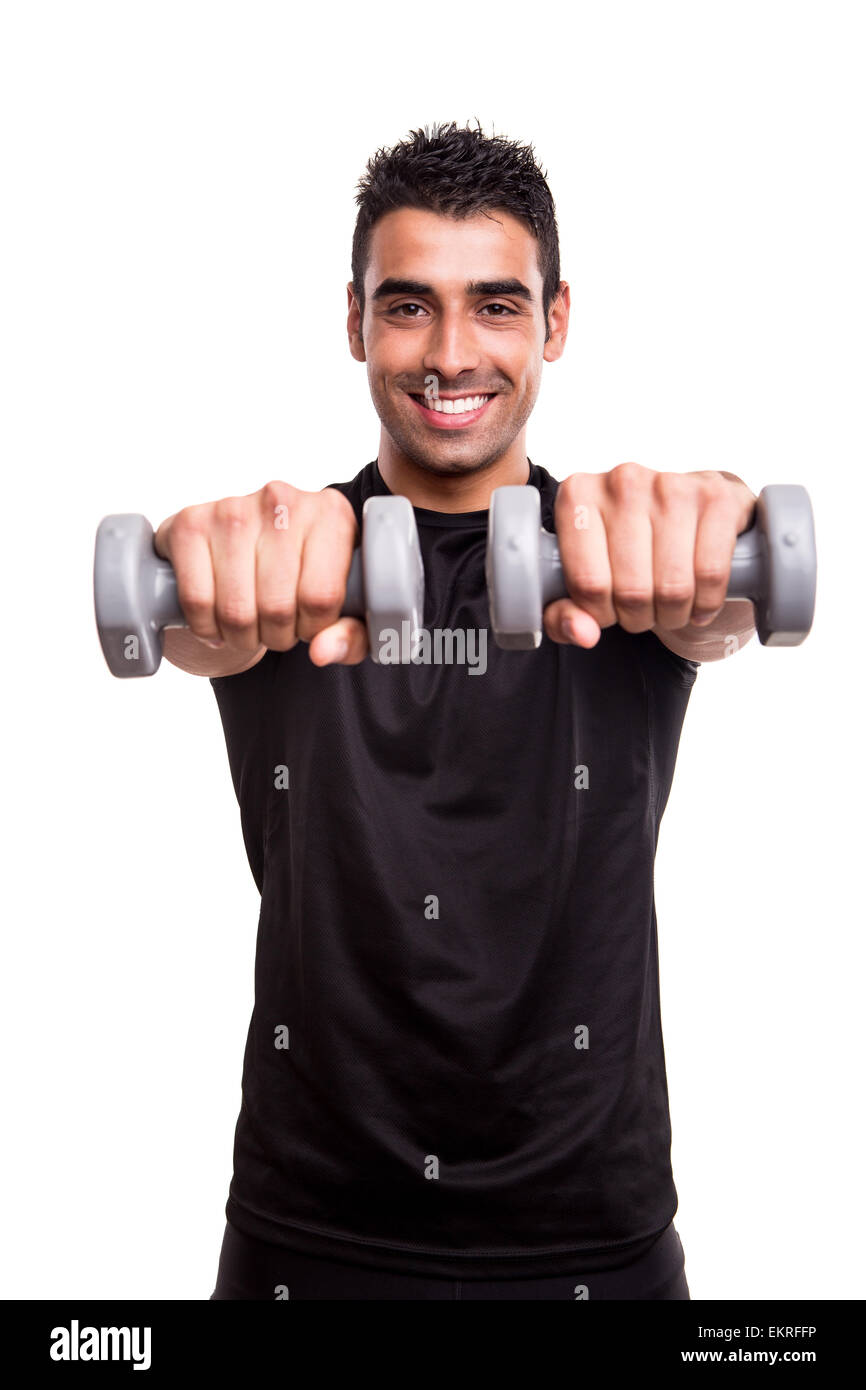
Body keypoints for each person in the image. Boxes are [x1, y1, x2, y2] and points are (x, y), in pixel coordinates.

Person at [155, 121, 758, 1300]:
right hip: (308, 1234)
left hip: (593, 1237)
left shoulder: (622, 565)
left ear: (555, 322)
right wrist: (196, 559)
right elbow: (194, 622)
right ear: (351, 321)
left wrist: (719, 526)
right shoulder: (282, 570)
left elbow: (716, 613)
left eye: (493, 305)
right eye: (406, 306)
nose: (448, 353)